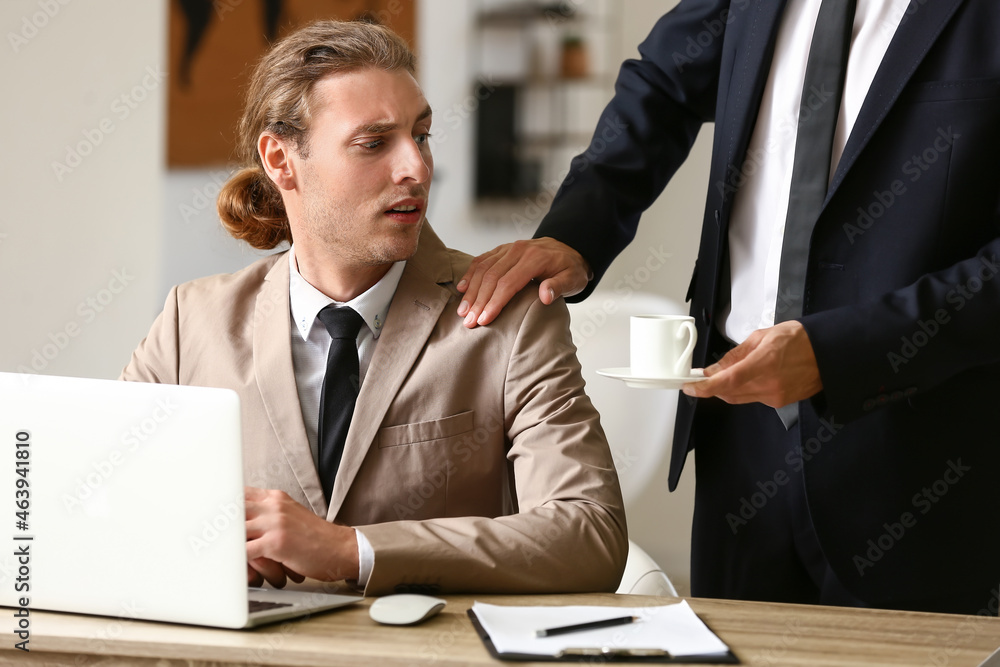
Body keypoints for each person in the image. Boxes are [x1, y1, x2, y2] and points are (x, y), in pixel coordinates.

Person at [456, 0, 1000, 615]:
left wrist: (839, 354)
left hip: (926, 460)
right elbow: (662, 86)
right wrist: (575, 235)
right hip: (735, 446)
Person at [121, 20, 627, 596]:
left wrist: (351, 551)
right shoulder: (192, 323)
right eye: (373, 142)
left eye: (422, 134)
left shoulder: (510, 316)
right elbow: (103, 507)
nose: (416, 167)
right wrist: (193, 545)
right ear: (281, 160)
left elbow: (590, 535)